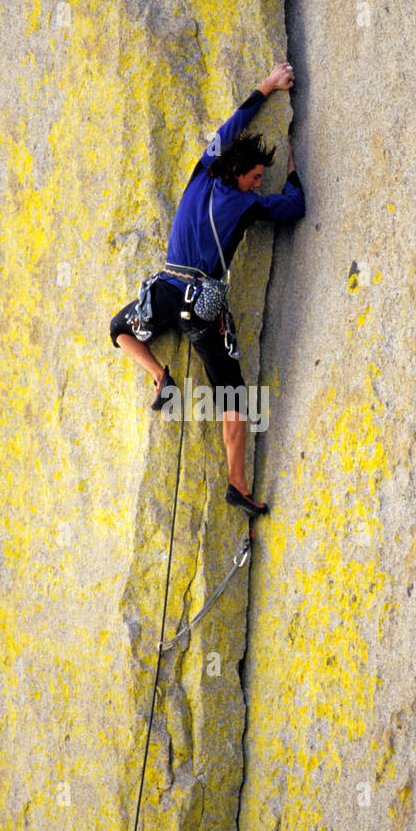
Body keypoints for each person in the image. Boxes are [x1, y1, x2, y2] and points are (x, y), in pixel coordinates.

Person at [109, 62, 305, 516]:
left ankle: (161, 377)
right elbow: (293, 209)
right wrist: (291, 172)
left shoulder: (201, 171)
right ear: (241, 175)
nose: (259, 183)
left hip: (165, 291)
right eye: (256, 176)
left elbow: (236, 118)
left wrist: (268, 86)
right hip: (201, 308)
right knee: (233, 395)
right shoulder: (245, 204)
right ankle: (237, 485)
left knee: (120, 328)